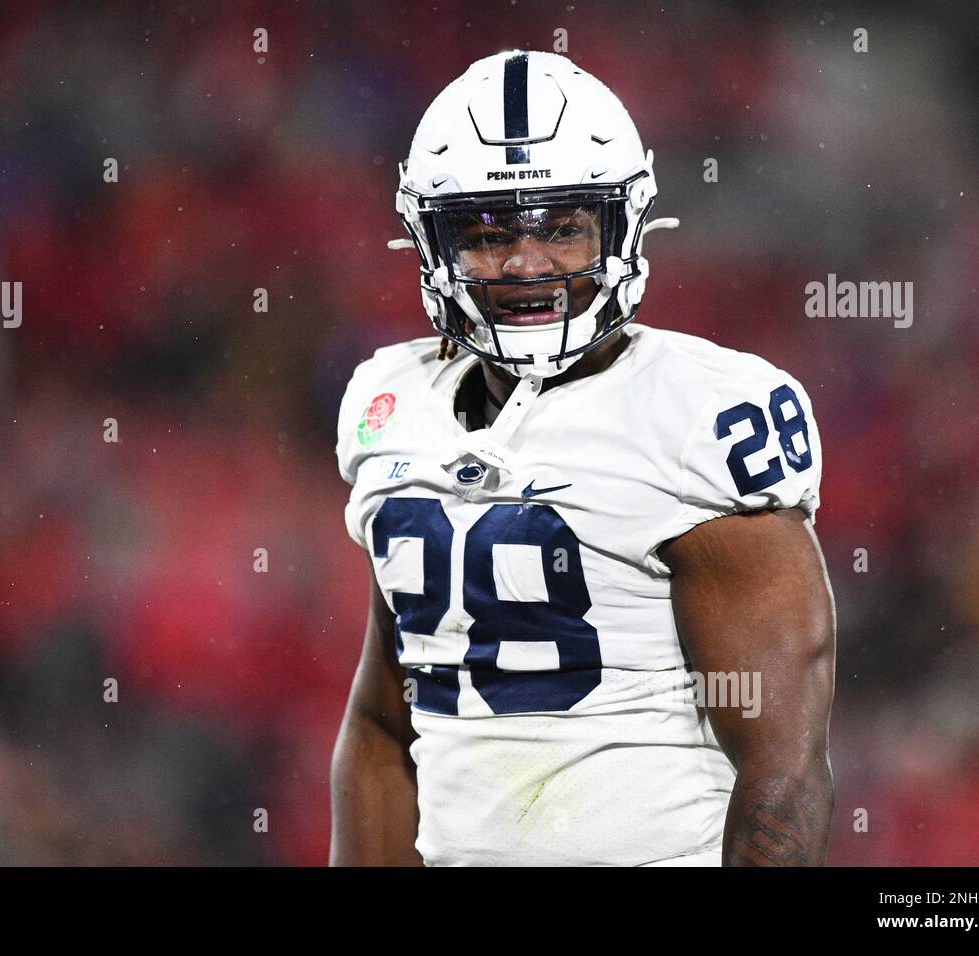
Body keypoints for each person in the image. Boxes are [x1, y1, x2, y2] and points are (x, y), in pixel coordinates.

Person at [329, 50, 835, 866]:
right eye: (489, 232)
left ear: (622, 226)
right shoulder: (392, 405)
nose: (528, 264)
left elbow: (783, 772)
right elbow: (387, 723)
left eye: (563, 227)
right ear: (432, 242)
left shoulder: (701, 416)